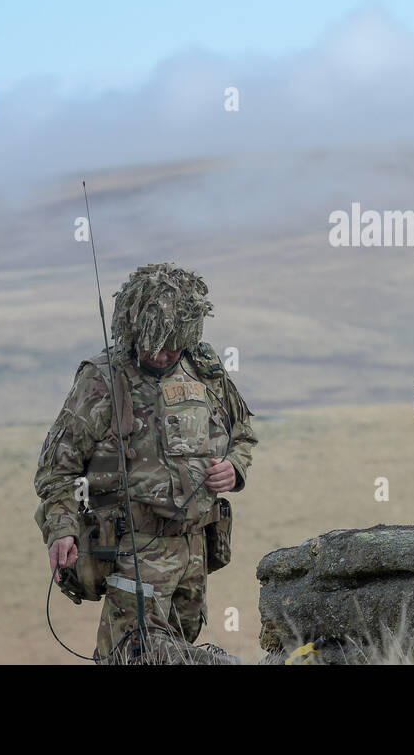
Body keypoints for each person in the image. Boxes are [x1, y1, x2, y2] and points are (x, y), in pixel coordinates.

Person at [34, 263, 256, 663]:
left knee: (183, 654)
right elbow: (56, 470)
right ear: (134, 331)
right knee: (133, 655)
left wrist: (235, 467)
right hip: (133, 552)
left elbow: (242, 433)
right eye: (157, 343)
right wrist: (62, 530)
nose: (166, 353)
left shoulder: (203, 369)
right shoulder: (101, 380)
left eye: (176, 344)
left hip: (195, 553)